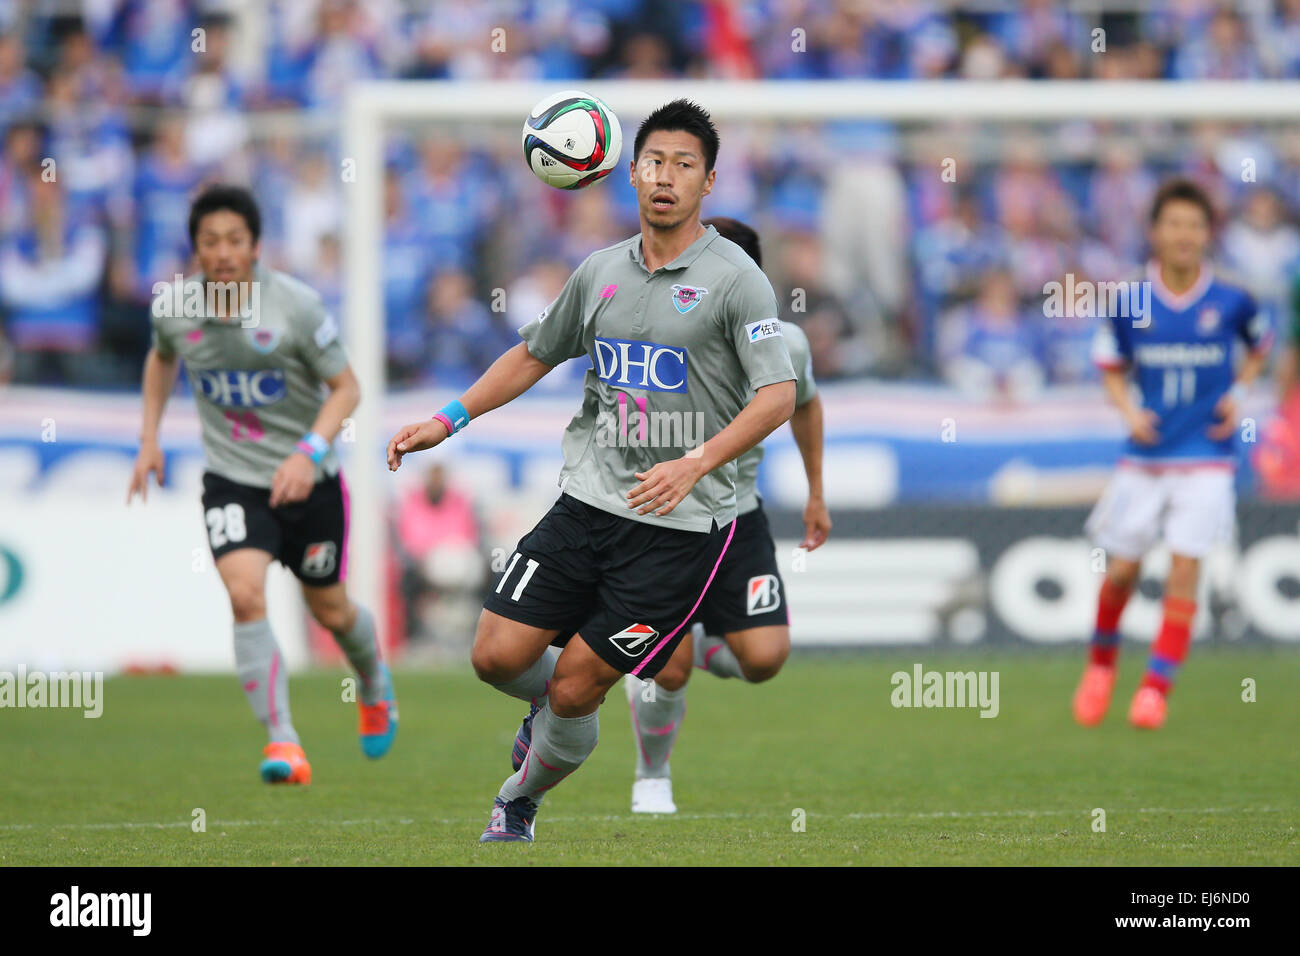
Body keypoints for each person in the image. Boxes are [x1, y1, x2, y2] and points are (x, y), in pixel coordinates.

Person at [386, 100, 796, 843]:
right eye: (655, 162)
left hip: (679, 530)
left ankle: (519, 799)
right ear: (630, 171)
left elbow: (779, 395)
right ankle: (555, 719)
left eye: (685, 165)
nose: (667, 177)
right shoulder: (599, 271)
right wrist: (447, 419)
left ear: (708, 182)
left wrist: (697, 460)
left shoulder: (739, 282)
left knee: (577, 684)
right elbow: (534, 354)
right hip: (587, 504)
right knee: (494, 655)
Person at [128, 184, 396, 784]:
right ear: (195, 250)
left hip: (311, 479)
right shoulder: (173, 309)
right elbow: (161, 357)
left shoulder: (295, 307)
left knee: (328, 608)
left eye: (234, 241)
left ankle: (375, 683)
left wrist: (308, 452)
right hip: (233, 479)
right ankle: (283, 742)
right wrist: (149, 437)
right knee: (245, 594)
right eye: (210, 242)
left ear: (255, 248)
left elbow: (347, 388)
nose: (222, 253)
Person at [624, 216, 830, 813]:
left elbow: (807, 406)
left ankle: (693, 635)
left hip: (737, 518)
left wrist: (816, 492)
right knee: (668, 674)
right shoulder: (656, 335)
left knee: (765, 660)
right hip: (660, 521)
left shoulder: (785, 345)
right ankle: (651, 774)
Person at [1075, 179, 1269, 730]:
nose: (1184, 234)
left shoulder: (1233, 299)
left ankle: (1155, 688)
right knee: (1123, 571)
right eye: (1174, 224)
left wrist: (1238, 394)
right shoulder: (1132, 299)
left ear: (1208, 234)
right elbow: (1110, 364)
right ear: (1156, 232)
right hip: (1145, 457)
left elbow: (1260, 347)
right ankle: (1102, 663)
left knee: (1186, 569)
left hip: (1208, 454)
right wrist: (1129, 413)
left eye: (1195, 225)